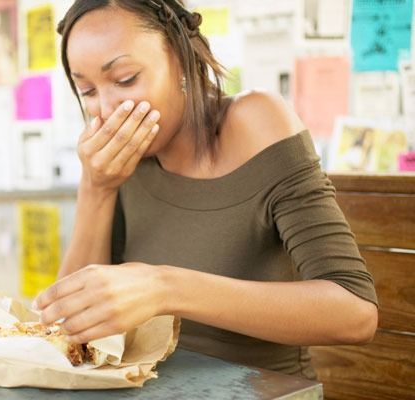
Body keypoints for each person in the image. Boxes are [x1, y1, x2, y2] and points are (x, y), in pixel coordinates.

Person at [32, 0, 378, 379]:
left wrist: (167, 287)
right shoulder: (116, 161)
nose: (106, 109)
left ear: (181, 58)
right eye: (87, 90)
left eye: (126, 79)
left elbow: (355, 312)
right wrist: (97, 188)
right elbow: (67, 325)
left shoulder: (257, 121)